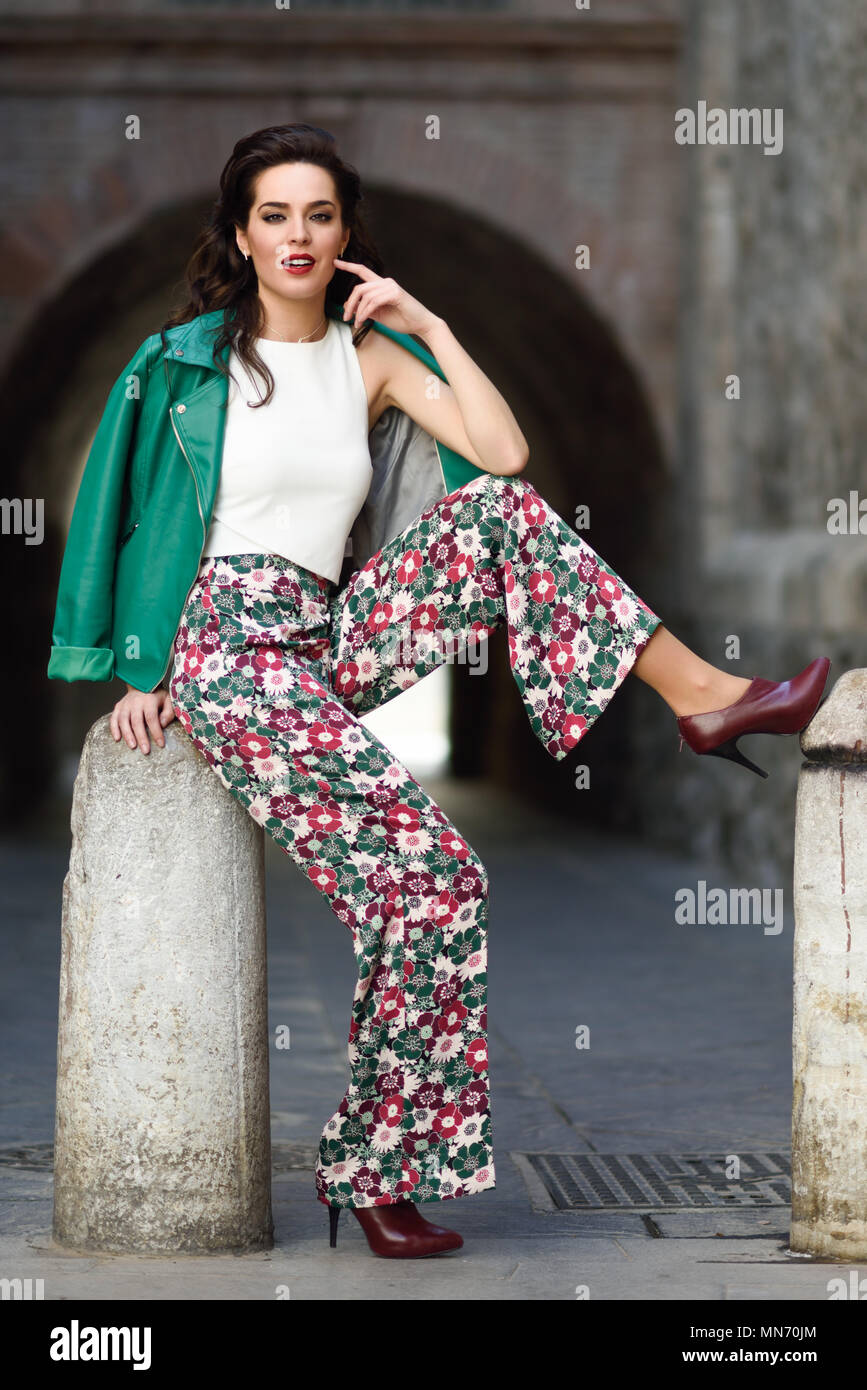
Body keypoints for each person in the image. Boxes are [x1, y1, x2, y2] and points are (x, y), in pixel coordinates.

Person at [53, 123, 830, 1260]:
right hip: (231, 642)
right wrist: (134, 670)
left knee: (508, 517)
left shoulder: (369, 364)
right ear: (241, 233)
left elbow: (503, 452)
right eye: (275, 215)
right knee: (433, 876)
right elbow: (123, 520)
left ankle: (702, 694)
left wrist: (430, 326)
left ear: (346, 233)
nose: (298, 235)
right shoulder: (181, 362)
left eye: (319, 214)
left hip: (327, 627)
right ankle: (379, 1173)